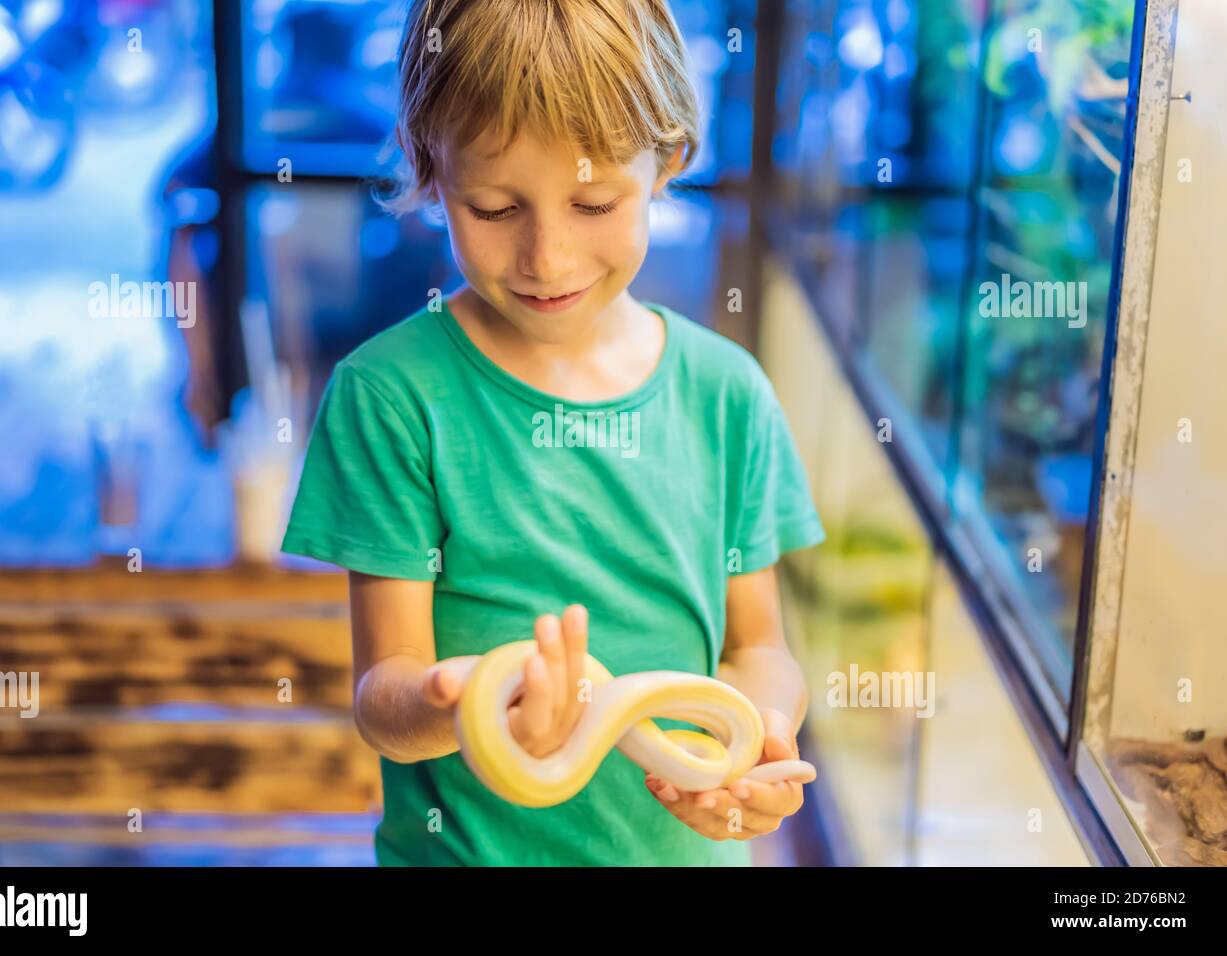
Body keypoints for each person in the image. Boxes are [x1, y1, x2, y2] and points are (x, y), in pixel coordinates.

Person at [280, 0, 826, 866]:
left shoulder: (730, 396)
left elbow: (757, 645)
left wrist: (758, 743)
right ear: (431, 168)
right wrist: (462, 706)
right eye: (495, 208)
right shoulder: (389, 397)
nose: (548, 258)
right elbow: (384, 702)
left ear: (669, 161)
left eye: (594, 201)